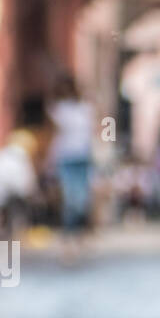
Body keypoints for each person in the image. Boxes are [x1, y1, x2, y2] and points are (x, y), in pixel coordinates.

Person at [47, 76, 95, 252]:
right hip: (66, 158)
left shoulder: (85, 109)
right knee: (70, 200)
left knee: (82, 200)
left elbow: (95, 130)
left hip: (82, 157)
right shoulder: (57, 110)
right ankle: (68, 238)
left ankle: (80, 235)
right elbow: (55, 135)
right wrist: (50, 161)